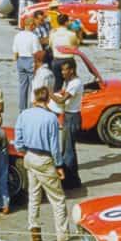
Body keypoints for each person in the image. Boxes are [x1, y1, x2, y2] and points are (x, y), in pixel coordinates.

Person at [15, 87, 77, 241]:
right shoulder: (51, 118)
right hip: (44, 158)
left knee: (34, 196)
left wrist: (24, 152)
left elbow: (18, 140)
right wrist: (59, 165)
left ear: (35, 98)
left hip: (29, 156)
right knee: (58, 199)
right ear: (48, 100)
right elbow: (55, 147)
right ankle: (62, 239)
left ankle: (35, 236)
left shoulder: (24, 115)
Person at [49, 59, 83, 189]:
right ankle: (74, 180)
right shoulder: (70, 82)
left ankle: (68, 181)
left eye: (65, 70)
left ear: (72, 70)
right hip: (70, 116)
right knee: (69, 150)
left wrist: (49, 94)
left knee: (68, 151)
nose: (62, 73)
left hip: (72, 117)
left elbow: (62, 99)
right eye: (62, 70)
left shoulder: (75, 83)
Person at [13, 19, 42, 112]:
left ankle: (22, 108)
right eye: (34, 25)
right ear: (31, 25)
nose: (35, 27)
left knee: (23, 86)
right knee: (33, 86)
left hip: (21, 59)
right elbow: (36, 52)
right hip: (30, 60)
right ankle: (32, 107)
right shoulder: (33, 36)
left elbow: (15, 51)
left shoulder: (18, 35)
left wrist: (18, 62)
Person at [49, 14, 80, 90]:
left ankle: (56, 99)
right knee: (70, 84)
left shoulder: (53, 34)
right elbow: (75, 47)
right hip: (68, 60)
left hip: (56, 60)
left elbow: (50, 45)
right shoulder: (71, 34)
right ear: (66, 22)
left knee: (57, 84)